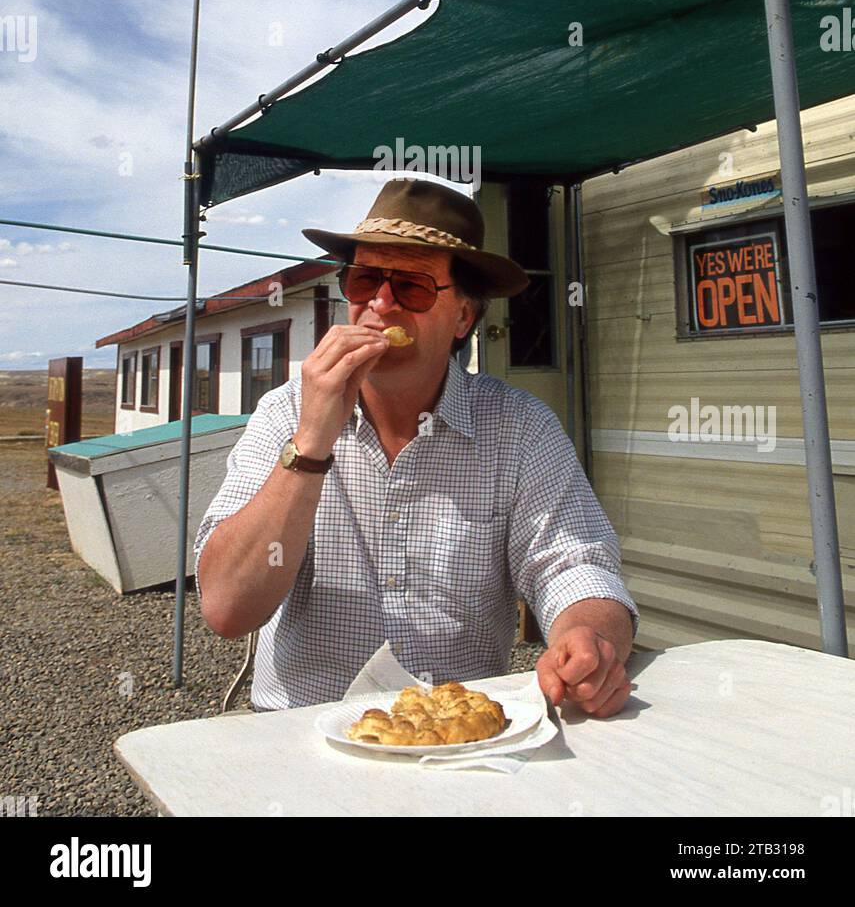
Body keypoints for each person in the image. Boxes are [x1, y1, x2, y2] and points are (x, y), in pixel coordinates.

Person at [195, 177, 639, 715]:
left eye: (412, 287)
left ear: (462, 317)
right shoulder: (286, 412)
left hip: (454, 734)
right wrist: (311, 445)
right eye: (364, 281)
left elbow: (572, 564)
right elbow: (226, 608)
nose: (381, 303)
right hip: (301, 730)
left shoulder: (519, 427)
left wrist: (588, 635)